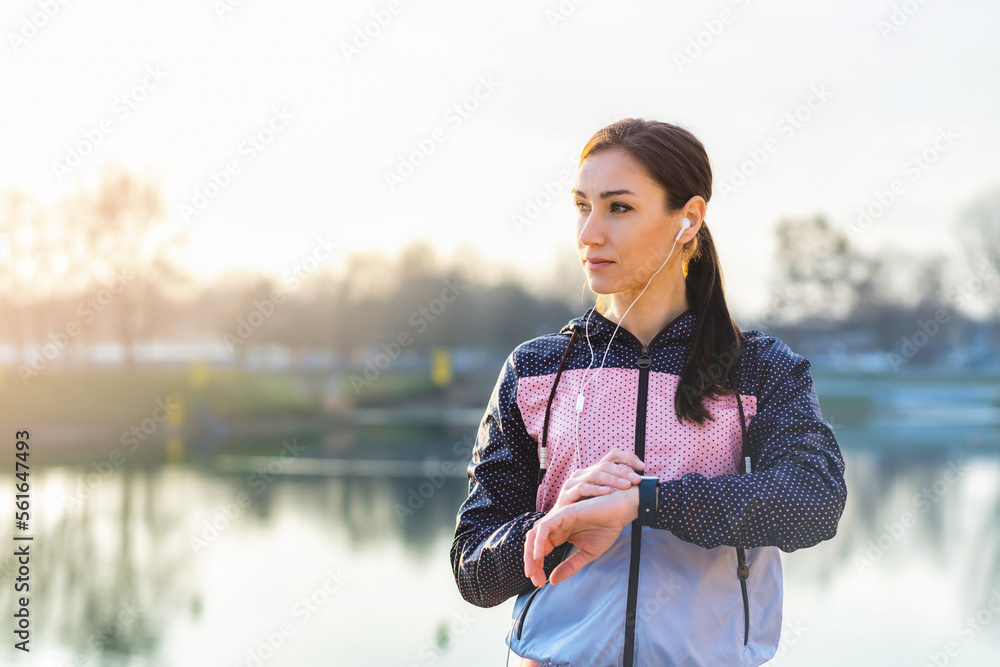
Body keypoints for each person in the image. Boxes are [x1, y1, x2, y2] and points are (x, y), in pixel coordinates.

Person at [449, 118, 847, 666]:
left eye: (619, 207)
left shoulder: (758, 368)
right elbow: (473, 570)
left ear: (688, 218)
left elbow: (814, 501)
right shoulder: (534, 369)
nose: (589, 232)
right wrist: (560, 524)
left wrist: (645, 501)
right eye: (582, 205)